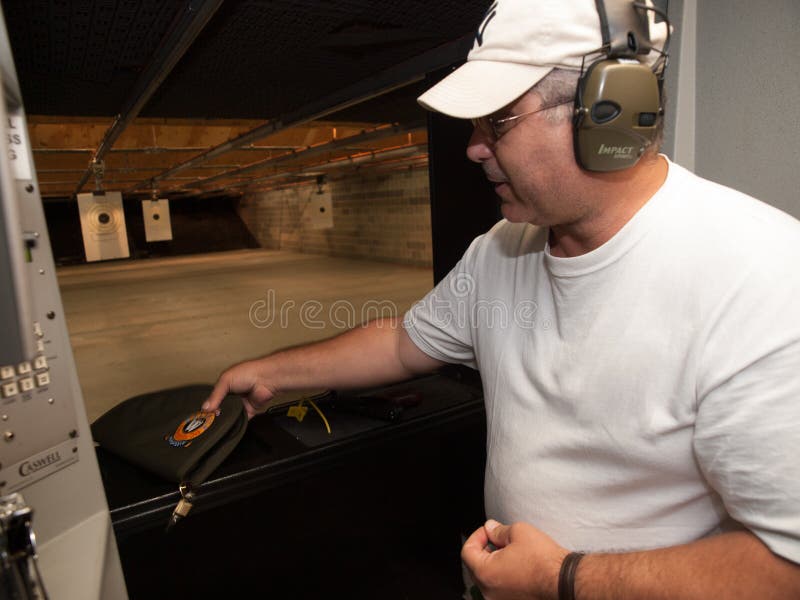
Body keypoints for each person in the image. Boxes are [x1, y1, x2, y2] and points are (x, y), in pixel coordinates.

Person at [204, 0, 800, 597]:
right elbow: (401, 342)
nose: (473, 147)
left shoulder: (763, 277)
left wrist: (558, 579)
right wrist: (270, 372)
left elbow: (787, 569)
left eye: (500, 121)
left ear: (610, 114)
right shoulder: (501, 250)